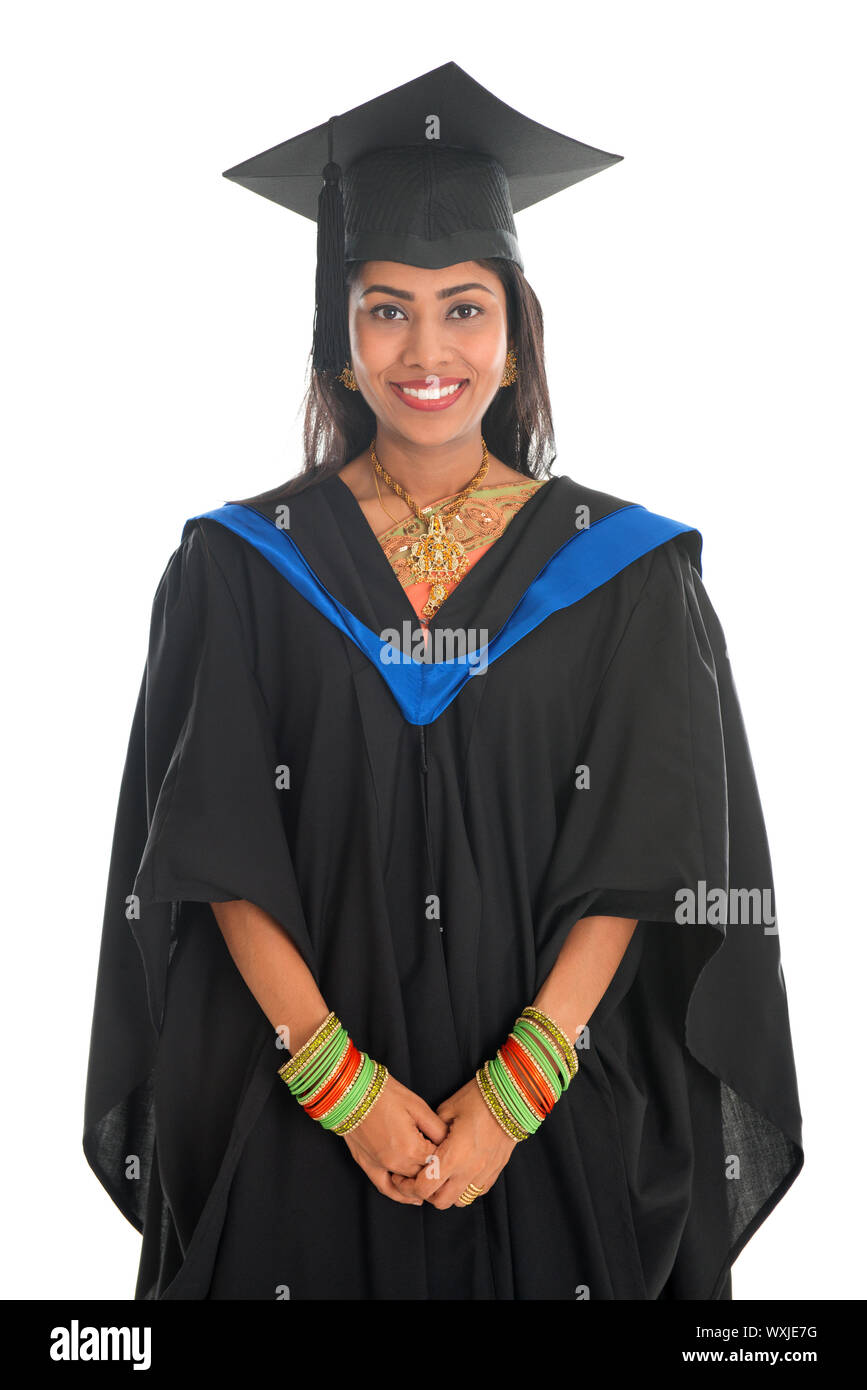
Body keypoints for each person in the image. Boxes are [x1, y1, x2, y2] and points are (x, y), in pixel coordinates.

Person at [83, 62, 803, 1301]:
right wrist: (341, 1085)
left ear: (518, 335)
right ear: (341, 336)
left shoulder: (624, 571)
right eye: (386, 309)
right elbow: (211, 846)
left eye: (465, 308)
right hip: (300, 1127)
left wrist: (512, 1094)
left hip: (548, 1126)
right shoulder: (242, 566)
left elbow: (648, 852)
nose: (428, 350)